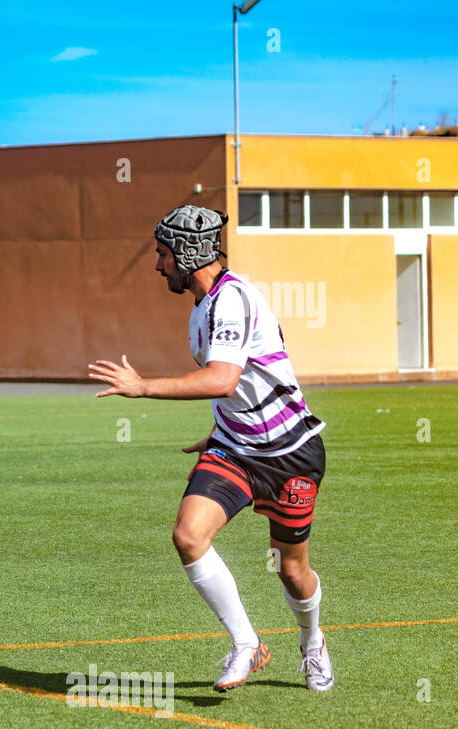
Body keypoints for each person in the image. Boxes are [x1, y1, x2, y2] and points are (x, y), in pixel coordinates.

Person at [87, 205, 332, 693]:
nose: (158, 266)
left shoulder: (233, 299)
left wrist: (142, 388)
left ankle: (312, 643)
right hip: (236, 449)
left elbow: (222, 379)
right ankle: (247, 644)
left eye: (162, 255)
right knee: (188, 535)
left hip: (292, 454)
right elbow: (237, 387)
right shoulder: (203, 306)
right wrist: (223, 432)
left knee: (292, 568)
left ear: (188, 253)